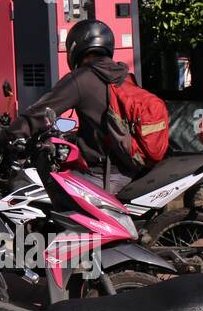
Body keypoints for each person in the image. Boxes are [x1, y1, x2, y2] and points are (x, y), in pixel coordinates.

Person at [8, 18, 136, 194]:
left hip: (103, 175)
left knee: (39, 193)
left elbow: (38, 115)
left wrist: (5, 136)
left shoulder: (81, 78)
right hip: (130, 167)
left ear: (75, 47)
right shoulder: (123, 75)